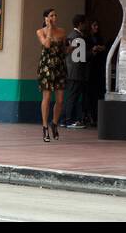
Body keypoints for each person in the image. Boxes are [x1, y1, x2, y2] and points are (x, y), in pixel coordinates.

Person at [36, 8, 67, 143]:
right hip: (46, 67)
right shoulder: (40, 32)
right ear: (46, 18)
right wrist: (48, 28)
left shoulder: (62, 31)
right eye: (51, 15)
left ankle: (54, 123)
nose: (54, 17)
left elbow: (64, 50)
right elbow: (47, 45)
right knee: (47, 98)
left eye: (55, 15)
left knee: (60, 100)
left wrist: (71, 48)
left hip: (59, 66)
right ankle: (44, 127)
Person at [61, 14, 89, 129]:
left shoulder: (71, 35)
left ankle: (66, 120)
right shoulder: (78, 37)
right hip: (76, 72)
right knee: (73, 96)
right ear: (80, 24)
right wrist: (92, 52)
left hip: (71, 71)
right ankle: (68, 120)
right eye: (85, 23)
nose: (86, 25)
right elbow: (80, 56)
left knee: (72, 96)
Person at [86, 19, 107, 127]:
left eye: (97, 25)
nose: (96, 28)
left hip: (99, 69)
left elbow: (104, 48)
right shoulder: (87, 38)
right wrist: (93, 50)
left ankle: (97, 117)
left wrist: (101, 48)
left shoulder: (99, 37)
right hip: (90, 70)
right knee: (91, 95)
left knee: (99, 93)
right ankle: (91, 116)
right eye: (94, 25)